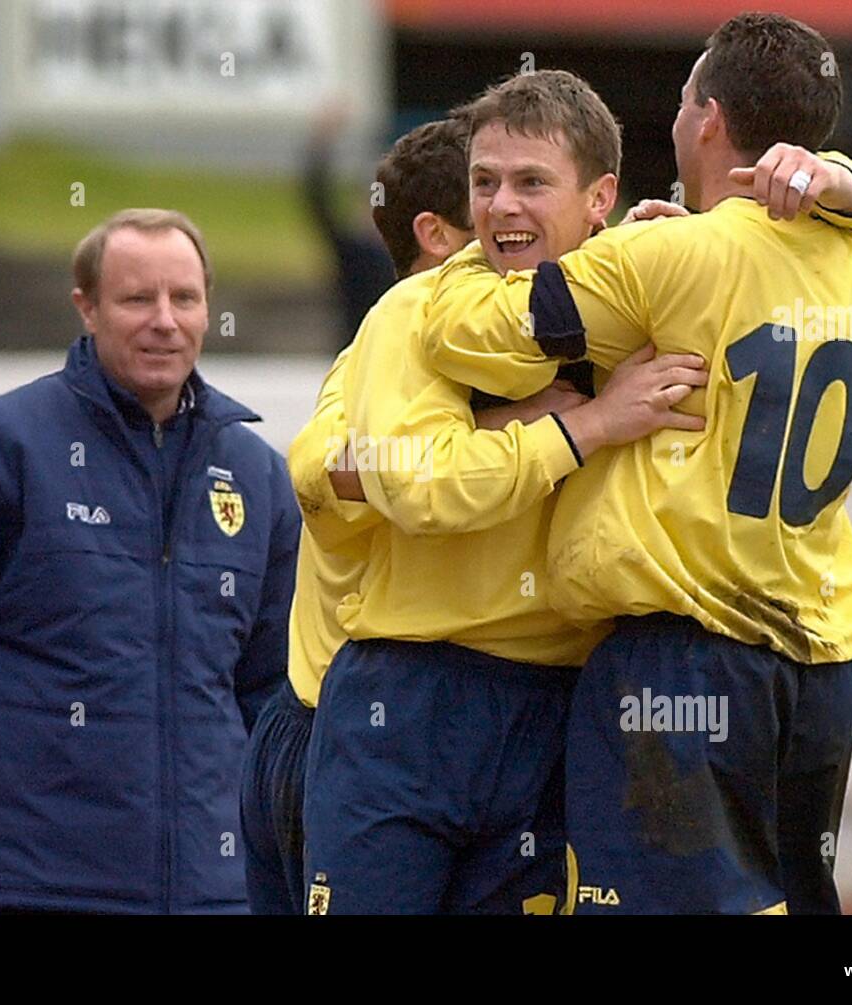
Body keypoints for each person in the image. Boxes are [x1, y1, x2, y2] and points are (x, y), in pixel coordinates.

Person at [420, 14, 852, 914]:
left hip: (683, 657)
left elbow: (473, 338)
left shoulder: (666, 255)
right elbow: (768, 273)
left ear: (711, 119)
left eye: (684, 102)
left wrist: (464, 247)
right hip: (821, 665)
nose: (678, 122)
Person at [0, 209, 300, 914]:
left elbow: (277, 686)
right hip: (21, 883)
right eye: (137, 298)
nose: (165, 320)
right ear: (86, 307)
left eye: (185, 298)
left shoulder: (260, 480)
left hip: (215, 893)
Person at [241, 115, 475, 915]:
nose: (518, 225)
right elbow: (330, 471)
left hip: (351, 727)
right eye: (495, 196)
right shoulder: (386, 341)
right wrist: (564, 430)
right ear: (438, 234)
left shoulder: (487, 343)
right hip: (342, 735)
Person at [301, 101, 398, 351]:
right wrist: (322, 143)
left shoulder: (407, 253)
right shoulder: (354, 252)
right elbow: (317, 201)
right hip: (354, 356)